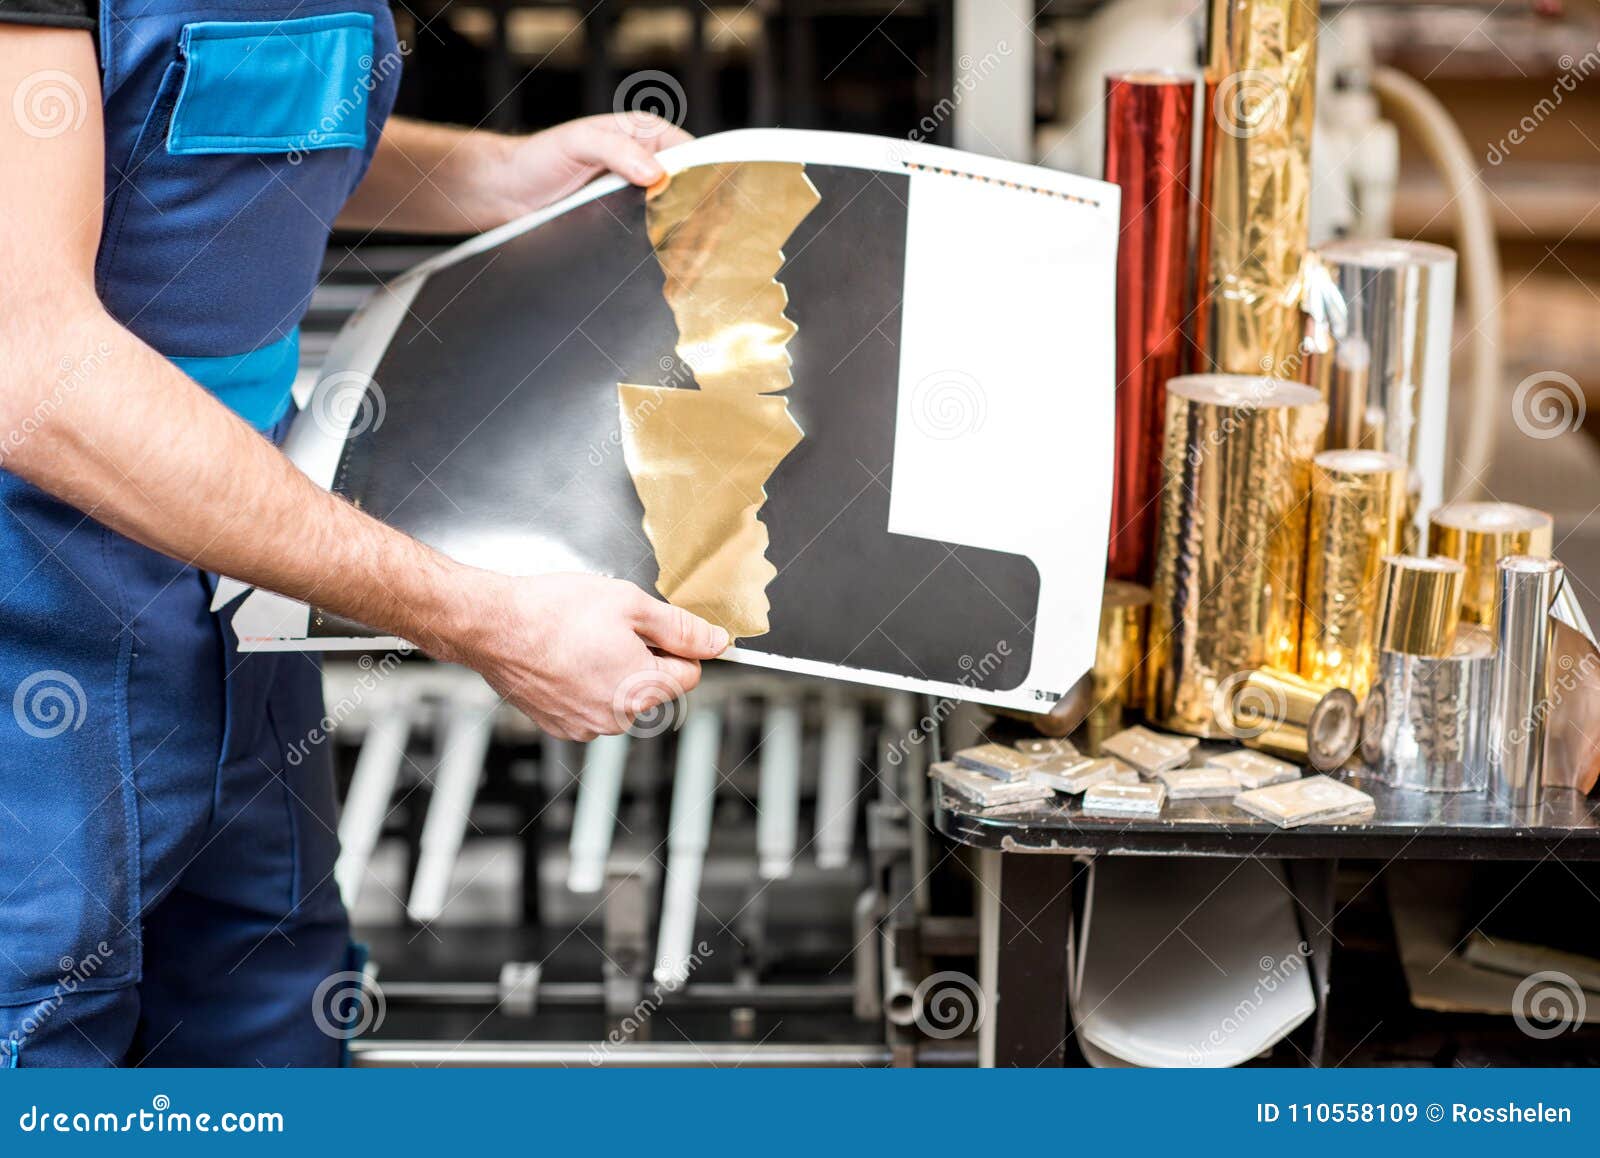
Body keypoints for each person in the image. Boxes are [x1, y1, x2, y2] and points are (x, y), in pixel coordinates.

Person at [0, 2, 726, 1066]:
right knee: (42, 1027)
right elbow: (35, 375)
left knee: (269, 996)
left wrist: (495, 175)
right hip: (40, 602)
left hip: (238, 572)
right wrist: (480, 616)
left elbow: (198, 130)